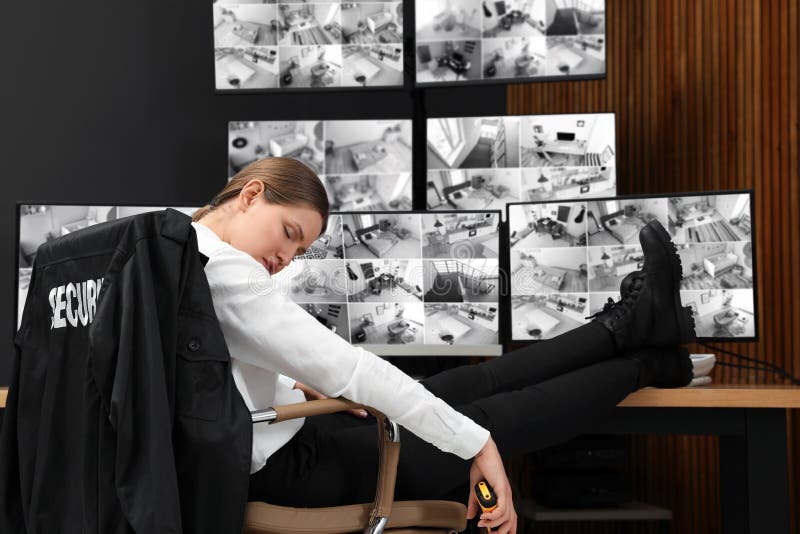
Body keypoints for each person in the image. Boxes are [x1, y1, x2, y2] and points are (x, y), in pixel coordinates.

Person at [190, 157, 696, 534]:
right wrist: (477, 444)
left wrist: (289, 380)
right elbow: (349, 368)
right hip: (291, 469)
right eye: (289, 234)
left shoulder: (180, 244)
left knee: (474, 382)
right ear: (251, 194)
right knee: (489, 418)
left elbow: (216, 375)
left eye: (298, 248)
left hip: (292, 427)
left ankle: (628, 330)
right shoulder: (222, 270)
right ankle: (650, 360)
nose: (287, 257)